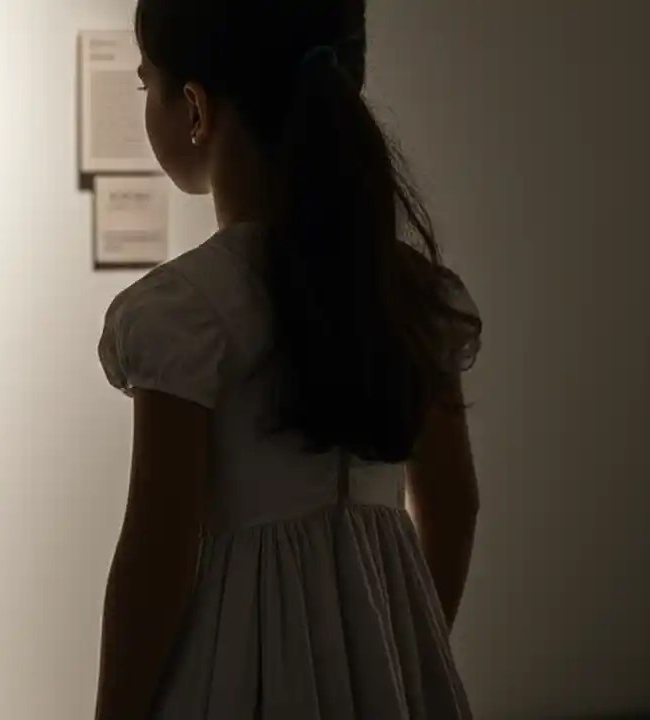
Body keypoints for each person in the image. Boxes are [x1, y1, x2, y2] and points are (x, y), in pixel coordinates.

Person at [94, 1, 483, 718]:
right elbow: (453, 503)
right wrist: (402, 642)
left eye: (146, 84)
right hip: (391, 649)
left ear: (193, 109)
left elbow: (158, 553)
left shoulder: (186, 311)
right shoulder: (408, 291)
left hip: (239, 657)